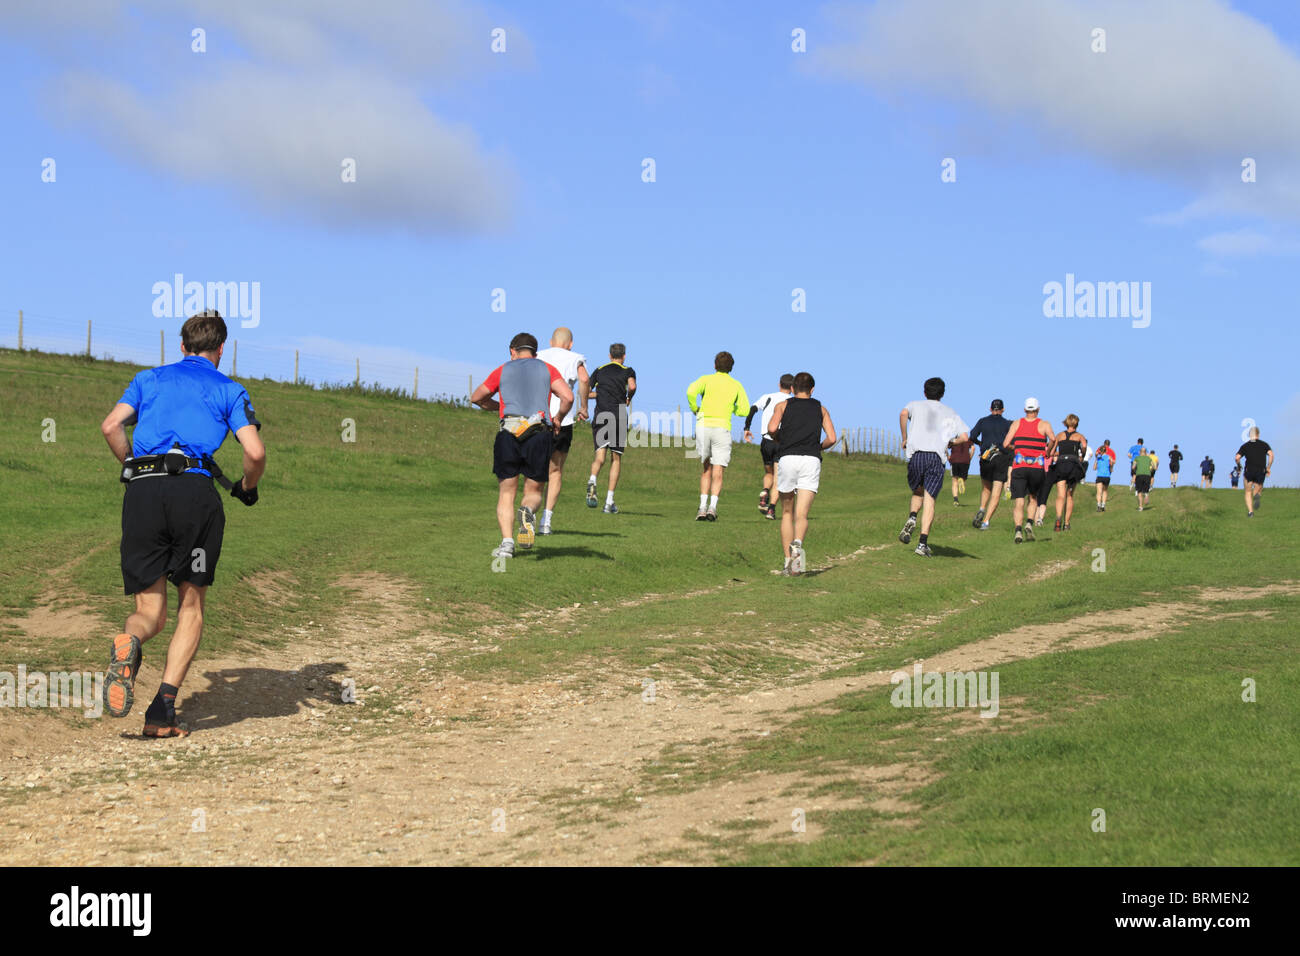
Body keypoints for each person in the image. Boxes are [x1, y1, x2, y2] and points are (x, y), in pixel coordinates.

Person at [98, 310, 266, 738]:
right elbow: (256, 453)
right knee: (191, 605)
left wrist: (133, 467)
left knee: (148, 612)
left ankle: (130, 643)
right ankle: (161, 712)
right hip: (194, 496)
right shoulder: (229, 390)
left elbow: (111, 425)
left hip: (144, 494)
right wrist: (247, 486)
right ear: (222, 349)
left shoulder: (148, 380)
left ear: (181, 346)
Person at [471, 332, 574, 558]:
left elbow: (476, 397)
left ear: (512, 351)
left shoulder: (503, 369)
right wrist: (557, 418)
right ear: (535, 353)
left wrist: (494, 406)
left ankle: (507, 544)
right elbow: (568, 397)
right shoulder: (547, 369)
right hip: (539, 433)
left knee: (507, 492)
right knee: (534, 490)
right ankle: (527, 511)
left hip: (509, 430)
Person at [766, 372, 836, 575]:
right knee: (802, 514)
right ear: (812, 390)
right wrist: (818, 447)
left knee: (787, 512)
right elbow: (832, 438)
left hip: (788, 458)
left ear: (793, 389)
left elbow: (771, 428)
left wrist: (780, 438)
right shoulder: (820, 409)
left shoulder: (783, 406)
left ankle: (789, 563)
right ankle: (798, 542)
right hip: (811, 460)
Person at [897, 377, 970, 557]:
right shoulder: (949, 412)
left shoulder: (915, 405)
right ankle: (922, 543)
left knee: (917, 491)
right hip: (936, 457)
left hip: (916, 455)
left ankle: (912, 516)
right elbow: (965, 437)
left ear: (924, 392)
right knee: (930, 499)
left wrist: (905, 437)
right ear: (942, 393)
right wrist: (951, 442)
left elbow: (903, 414)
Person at [535, 327, 588, 534]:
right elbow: (583, 379)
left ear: (550, 341)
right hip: (562, 420)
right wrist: (584, 407)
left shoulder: (537, 356)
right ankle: (545, 521)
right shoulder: (575, 358)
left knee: (534, 470)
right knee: (555, 471)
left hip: (535, 418)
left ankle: (529, 511)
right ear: (571, 344)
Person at [686, 351, 750, 521]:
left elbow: (690, 391)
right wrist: (732, 409)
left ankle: (701, 507)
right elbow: (745, 409)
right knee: (718, 470)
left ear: (715, 365)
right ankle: (712, 507)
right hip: (722, 427)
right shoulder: (736, 385)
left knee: (706, 468)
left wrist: (695, 408)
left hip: (703, 425)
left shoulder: (706, 379)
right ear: (731, 368)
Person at [582, 343, 636, 514]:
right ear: (624, 356)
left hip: (601, 414)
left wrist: (600, 394)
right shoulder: (628, 370)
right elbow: (632, 386)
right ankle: (609, 502)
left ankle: (592, 479)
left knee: (600, 457)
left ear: (609, 355)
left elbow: (585, 390)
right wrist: (628, 397)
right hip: (618, 414)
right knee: (616, 459)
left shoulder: (599, 369)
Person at [1004, 397, 1055, 544]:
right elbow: (1053, 438)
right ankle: (1029, 523)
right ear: (1038, 409)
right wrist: (1048, 453)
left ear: (1025, 409)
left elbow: (1006, 443)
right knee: (1033, 498)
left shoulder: (1017, 423)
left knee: (1019, 501)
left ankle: (1018, 530)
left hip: (1020, 466)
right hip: (1036, 468)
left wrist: (1016, 448)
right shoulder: (1044, 424)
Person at [744, 373, 794, 520]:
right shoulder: (792, 401)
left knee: (768, 473)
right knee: (778, 479)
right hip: (781, 442)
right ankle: (771, 509)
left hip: (765, 441)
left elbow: (752, 409)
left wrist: (747, 427)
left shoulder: (768, 396)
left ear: (779, 384)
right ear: (792, 387)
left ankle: (765, 490)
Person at [969, 399, 1012, 530]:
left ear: (990, 409)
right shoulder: (1008, 424)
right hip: (1001, 457)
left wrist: (980, 444)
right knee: (997, 492)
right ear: (1003, 409)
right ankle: (986, 522)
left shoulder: (983, 421)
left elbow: (972, 436)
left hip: (986, 457)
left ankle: (982, 508)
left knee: (986, 488)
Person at [1049, 415, 1088, 532]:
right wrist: (1082, 455)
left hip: (1061, 464)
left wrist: (1057, 454)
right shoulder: (1080, 436)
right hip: (1073, 465)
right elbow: (1084, 447)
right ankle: (1066, 524)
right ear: (1077, 424)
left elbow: (1052, 451)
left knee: (1060, 495)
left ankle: (1058, 519)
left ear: (1066, 423)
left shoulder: (1059, 435)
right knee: (1069, 495)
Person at [1236, 427, 1274, 517]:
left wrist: (1239, 466)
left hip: (1249, 470)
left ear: (1249, 435)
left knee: (1248, 491)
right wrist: (1268, 467)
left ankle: (1250, 512)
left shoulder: (1245, 446)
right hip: (1261, 470)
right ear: (1258, 434)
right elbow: (1271, 455)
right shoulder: (1264, 445)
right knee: (1257, 489)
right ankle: (1257, 495)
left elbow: (1237, 457)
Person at [1092, 439, 1117, 512]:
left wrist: (1097, 460)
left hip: (1099, 475)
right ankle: (1103, 505)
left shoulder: (1098, 458)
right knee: (1105, 491)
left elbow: (1094, 468)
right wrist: (1111, 468)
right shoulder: (1109, 456)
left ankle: (1098, 505)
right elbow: (1113, 462)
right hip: (1107, 475)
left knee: (1099, 491)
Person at [948, 438, 973, 506]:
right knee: (963, 478)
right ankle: (962, 480)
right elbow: (973, 448)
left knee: (954, 481)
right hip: (965, 461)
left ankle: (956, 500)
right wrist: (969, 459)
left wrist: (948, 457)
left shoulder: (953, 439)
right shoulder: (967, 439)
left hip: (954, 460)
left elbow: (945, 448)